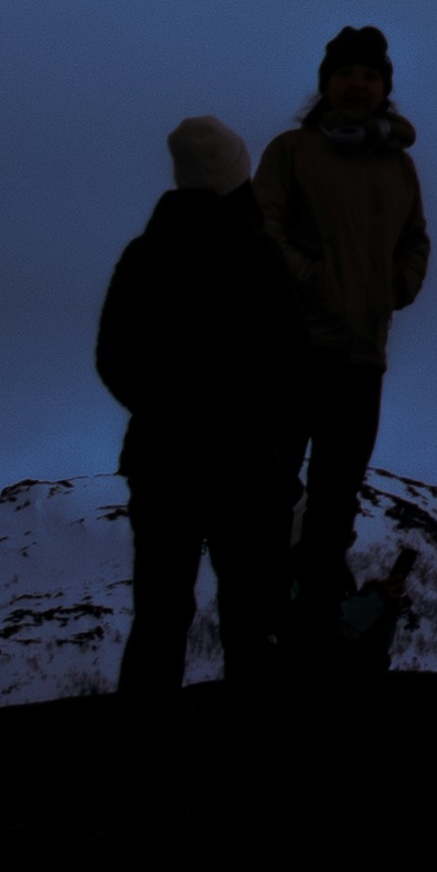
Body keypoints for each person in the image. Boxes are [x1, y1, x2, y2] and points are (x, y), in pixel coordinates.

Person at [94, 115, 305, 705]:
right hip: (245, 460)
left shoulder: (143, 254)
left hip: (160, 457)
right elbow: (291, 359)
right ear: (237, 176)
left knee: (159, 612)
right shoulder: (259, 254)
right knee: (249, 614)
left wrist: (163, 408)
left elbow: (112, 356)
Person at [252, 23, 431, 660]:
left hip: (362, 358)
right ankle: (261, 631)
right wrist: (314, 281)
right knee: (271, 494)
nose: (358, 83)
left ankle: (315, 639)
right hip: (294, 349)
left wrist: (397, 287)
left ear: (384, 88)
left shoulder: (398, 165)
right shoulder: (291, 152)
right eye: (346, 73)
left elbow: (415, 239)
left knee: (335, 503)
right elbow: (262, 228)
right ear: (326, 84)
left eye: (370, 75)